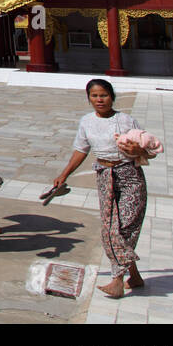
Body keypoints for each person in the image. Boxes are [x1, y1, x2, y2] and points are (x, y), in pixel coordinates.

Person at [51, 78, 147, 298]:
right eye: (94, 96)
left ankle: (117, 281)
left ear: (112, 96)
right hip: (105, 176)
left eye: (103, 95)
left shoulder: (126, 120)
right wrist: (64, 174)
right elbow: (81, 150)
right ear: (89, 99)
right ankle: (134, 275)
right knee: (110, 227)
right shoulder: (86, 122)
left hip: (129, 175)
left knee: (123, 228)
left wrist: (136, 148)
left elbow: (148, 149)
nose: (99, 100)